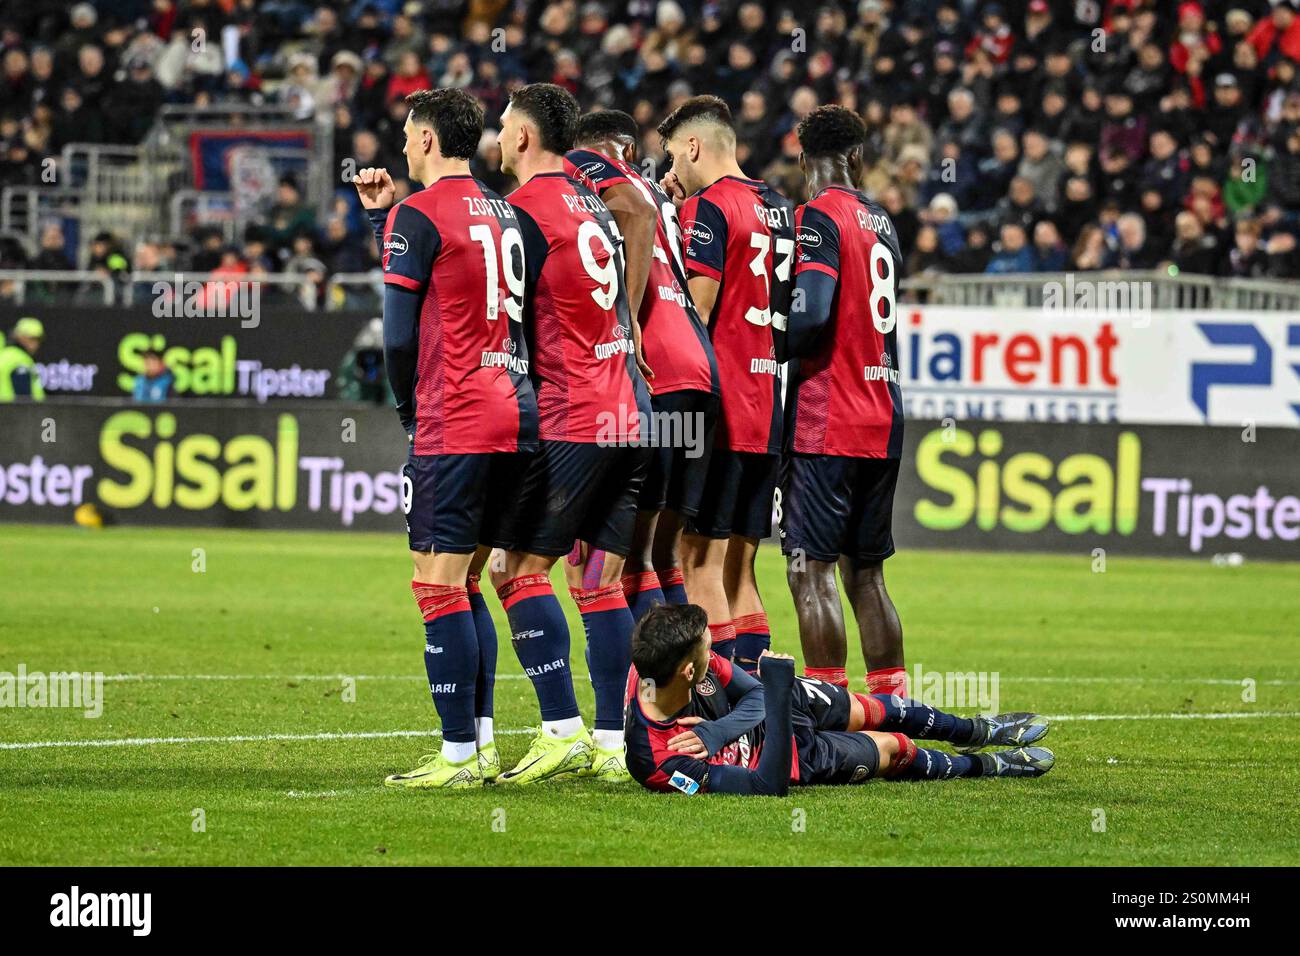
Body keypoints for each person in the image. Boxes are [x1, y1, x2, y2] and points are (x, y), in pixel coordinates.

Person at [354, 88, 539, 790]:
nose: (401, 145)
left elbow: (399, 335)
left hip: (456, 414)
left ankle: (459, 754)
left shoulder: (419, 212)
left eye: (407, 133)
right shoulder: (505, 211)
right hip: (515, 411)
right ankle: (482, 745)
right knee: (466, 583)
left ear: (428, 140)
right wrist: (382, 223)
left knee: (436, 585)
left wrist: (408, 406)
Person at [486, 83, 653, 784]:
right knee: (601, 581)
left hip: (573, 414)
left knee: (514, 569)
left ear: (524, 137)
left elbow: (504, 316)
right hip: (632, 410)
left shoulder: (523, 209)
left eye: (502, 126)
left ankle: (560, 729)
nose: (495, 136)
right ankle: (614, 746)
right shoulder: (591, 199)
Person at [625, 604, 1054, 795]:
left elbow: (755, 694)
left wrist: (720, 731)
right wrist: (772, 691)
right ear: (686, 671)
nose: (712, 646)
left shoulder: (657, 660)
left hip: (786, 702)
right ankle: (988, 766)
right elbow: (765, 785)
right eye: (707, 646)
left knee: (887, 708)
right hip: (789, 758)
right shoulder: (659, 760)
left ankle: (979, 730)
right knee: (895, 749)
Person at [563, 109, 721, 624]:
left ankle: (638, 697)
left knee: (612, 565)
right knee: (661, 557)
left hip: (653, 375)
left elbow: (633, 211)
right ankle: (699, 689)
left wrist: (626, 321)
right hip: (698, 372)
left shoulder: (587, 170)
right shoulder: (657, 190)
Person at [657, 95, 795, 675]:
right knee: (741, 567)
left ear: (693, 146)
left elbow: (699, 312)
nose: (671, 170)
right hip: (771, 407)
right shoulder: (782, 208)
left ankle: (726, 704)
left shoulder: (708, 208)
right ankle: (766, 705)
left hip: (724, 408)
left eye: (672, 155)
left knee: (698, 562)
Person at [781, 105, 908, 696]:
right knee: (869, 576)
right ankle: (895, 710)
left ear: (804, 159)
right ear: (858, 157)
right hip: (883, 415)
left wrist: (767, 335)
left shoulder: (816, 217)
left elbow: (812, 313)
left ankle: (829, 709)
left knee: (810, 570)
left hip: (827, 418)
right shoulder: (881, 221)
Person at [0, 317, 46, 402]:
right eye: (32, 338)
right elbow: (24, 400)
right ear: (20, 337)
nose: (36, 344)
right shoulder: (19, 359)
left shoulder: (4, 354)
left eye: (39, 339)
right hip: (16, 413)